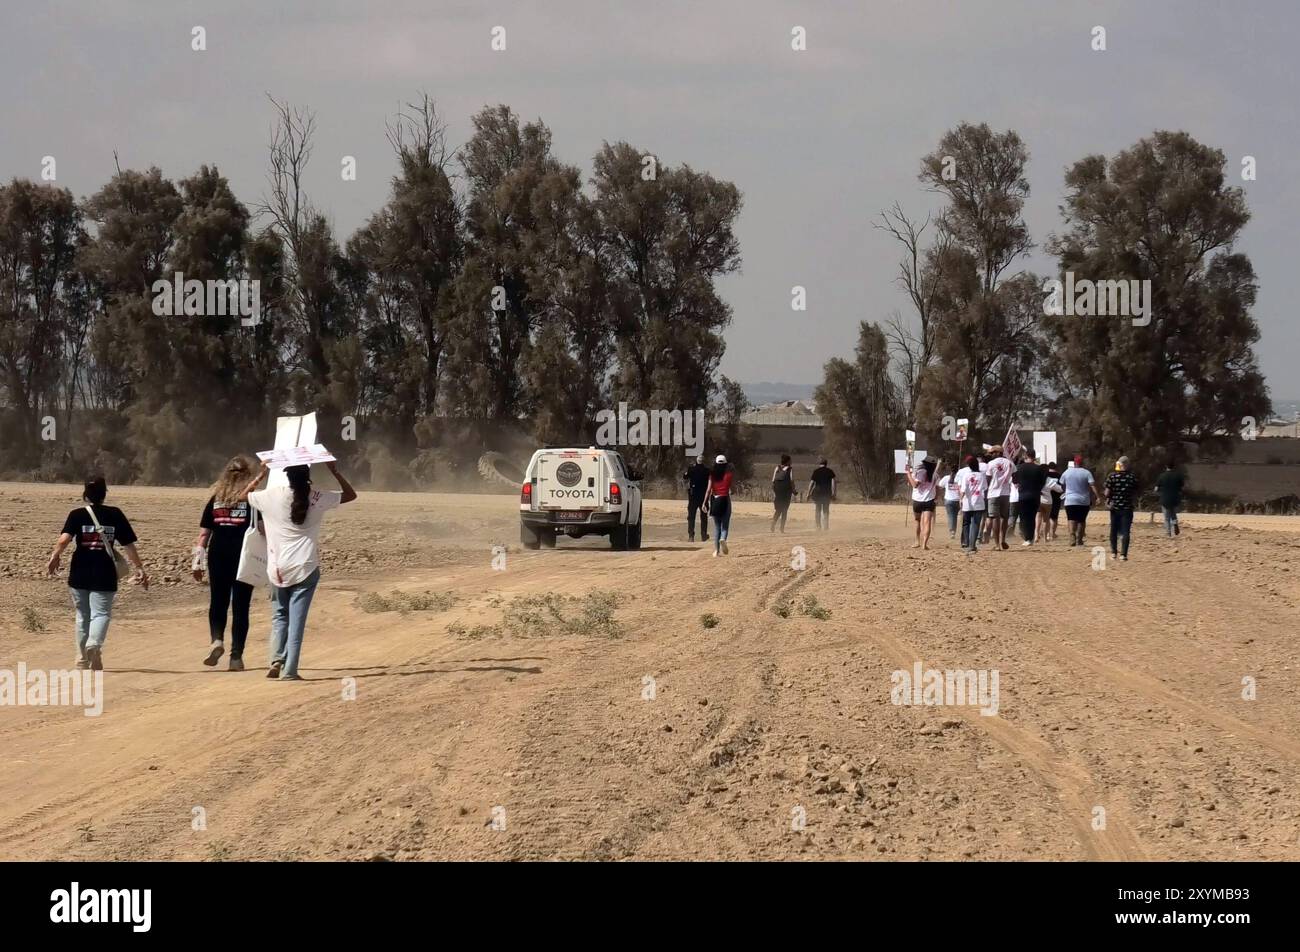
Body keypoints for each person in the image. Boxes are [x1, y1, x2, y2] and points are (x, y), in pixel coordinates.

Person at [246, 460, 357, 680]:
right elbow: (350, 495)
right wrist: (335, 471)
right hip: (305, 567)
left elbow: (243, 496)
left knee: (280, 616)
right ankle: (290, 671)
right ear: (308, 476)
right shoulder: (318, 498)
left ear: (287, 476)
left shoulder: (271, 495)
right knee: (297, 621)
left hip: (277, 568)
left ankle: (276, 660)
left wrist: (261, 474)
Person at [46, 475, 150, 671]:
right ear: (105, 493)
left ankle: (81, 659)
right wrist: (139, 568)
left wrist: (55, 556)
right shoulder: (115, 514)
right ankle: (94, 644)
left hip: (79, 571)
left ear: (85, 494)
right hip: (105, 572)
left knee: (82, 615)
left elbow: (64, 540)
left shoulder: (76, 514)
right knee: (101, 613)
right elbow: (128, 545)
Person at [192, 455, 260, 671]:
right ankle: (236, 658)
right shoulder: (252, 501)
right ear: (247, 476)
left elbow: (203, 535)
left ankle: (217, 641)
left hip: (217, 556)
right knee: (241, 607)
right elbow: (263, 530)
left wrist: (197, 562)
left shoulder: (216, 499)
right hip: (244, 557)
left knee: (218, 601)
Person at [1104, 455, 1139, 561]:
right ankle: (1123, 554)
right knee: (1126, 531)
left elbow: (1106, 493)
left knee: (1113, 530)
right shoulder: (1132, 477)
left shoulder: (1112, 476)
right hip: (1127, 507)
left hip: (1114, 507)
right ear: (1127, 465)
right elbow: (1136, 491)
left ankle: (1114, 552)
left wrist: (1109, 498)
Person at [1061, 455, 1100, 547]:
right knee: (1081, 520)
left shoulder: (1067, 472)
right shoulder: (1087, 473)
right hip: (1083, 500)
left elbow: (1061, 484)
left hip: (1070, 500)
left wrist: (1064, 491)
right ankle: (1079, 540)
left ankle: (1072, 537)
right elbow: (1092, 486)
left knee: (1071, 519)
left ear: (1074, 463)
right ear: (1082, 463)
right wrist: (1097, 496)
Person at [905, 457, 942, 550]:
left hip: (918, 500)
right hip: (929, 501)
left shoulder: (921, 472)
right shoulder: (936, 475)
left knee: (917, 520)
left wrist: (908, 474)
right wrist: (936, 498)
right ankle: (924, 544)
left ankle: (917, 541)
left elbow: (915, 485)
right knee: (927, 523)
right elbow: (937, 488)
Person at [1014, 449, 1048, 546]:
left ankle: (1027, 537)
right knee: (1032, 517)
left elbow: (1015, 481)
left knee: (1024, 517)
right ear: (1034, 456)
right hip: (1035, 495)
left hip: (1023, 495)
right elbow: (1043, 482)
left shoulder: (1019, 468)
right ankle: (1030, 538)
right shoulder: (1039, 468)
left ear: (1025, 455)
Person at [955, 455, 988, 553]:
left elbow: (963, 490)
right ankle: (972, 546)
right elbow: (985, 488)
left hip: (967, 503)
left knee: (966, 524)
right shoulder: (982, 476)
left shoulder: (966, 475)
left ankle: (966, 543)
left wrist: (960, 501)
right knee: (976, 524)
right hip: (978, 503)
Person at [983, 446, 1013, 550]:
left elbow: (987, 479)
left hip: (993, 493)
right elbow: (1016, 476)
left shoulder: (991, 464)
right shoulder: (1009, 463)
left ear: (997, 453)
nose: (991, 455)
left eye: (992, 453)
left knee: (995, 519)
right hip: (1006, 493)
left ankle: (997, 544)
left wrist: (985, 492)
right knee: (1004, 518)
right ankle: (1003, 540)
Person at [704, 454, 734, 556]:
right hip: (725, 499)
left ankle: (716, 551)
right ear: (725, 464)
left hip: (715, 500)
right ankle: (723, 539)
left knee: (717, 527)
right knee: (724, 526)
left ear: (715, 463)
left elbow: (708, 490)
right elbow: (731, 488)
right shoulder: (729, 475)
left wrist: (704, 503)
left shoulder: (711, 475)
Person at [683, 454, 711, 543]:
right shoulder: (707, 471)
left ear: (697, 460)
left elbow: (685, 477)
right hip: (703, 496)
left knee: (691, 517)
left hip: (693, 496)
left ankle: (691, 536)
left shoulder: (691, 469)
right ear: (703, 461)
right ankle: (703, 535)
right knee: (704, 516)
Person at [1155, 459, 1186, 538]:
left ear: (1166, 466)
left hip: (1165, 498)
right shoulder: (1178, 476)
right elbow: (1182, 487)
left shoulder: (1162, 476)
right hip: (1175, 498)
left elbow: (1156, 489)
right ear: (1173, 466)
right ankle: (1175, 523)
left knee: (1166, 517)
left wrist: (1158, 493)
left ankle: (1168, 533)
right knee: (1172, 513)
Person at [807, 457, 836, 531]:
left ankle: (818, 526)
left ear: (820, 464)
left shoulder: (816, 471)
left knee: (818, 509)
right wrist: (833, 493)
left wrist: (808, 493)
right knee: (826, 510)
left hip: (817, 493)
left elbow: (811, 483)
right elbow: (833, 483)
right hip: (826, 492)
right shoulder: (830, 471)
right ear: (826, 464)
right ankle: (826, 527)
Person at [1039, 462, 1064, 542]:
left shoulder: (1044, 475)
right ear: (1056, 467)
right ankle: (1052, 534)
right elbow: (1061, 488)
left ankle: (1040, 533)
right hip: (1056, 498)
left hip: (1044, 498)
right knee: (1054, 517)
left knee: (1043, 518)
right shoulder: (1059, 476)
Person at [771, 454, 795, 533]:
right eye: (790, 461)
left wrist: (775, 491)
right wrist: (794, 490)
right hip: (786, 491)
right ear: (787, 461)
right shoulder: (790, 469)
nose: (791, 462)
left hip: (778, 490)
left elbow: (773, 481)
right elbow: (791, 481)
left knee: (778, 509)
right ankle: (782, 528)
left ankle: (773, 523)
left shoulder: (777, 468)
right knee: (785, 509)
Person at [938, 459, 961, 540]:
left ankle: (952, 531)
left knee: (951, 516)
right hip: (958, 500)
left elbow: (940, 485)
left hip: (948, 500)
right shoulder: (960, 478)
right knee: (958, 516)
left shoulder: (946, 478)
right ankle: (960, 531)